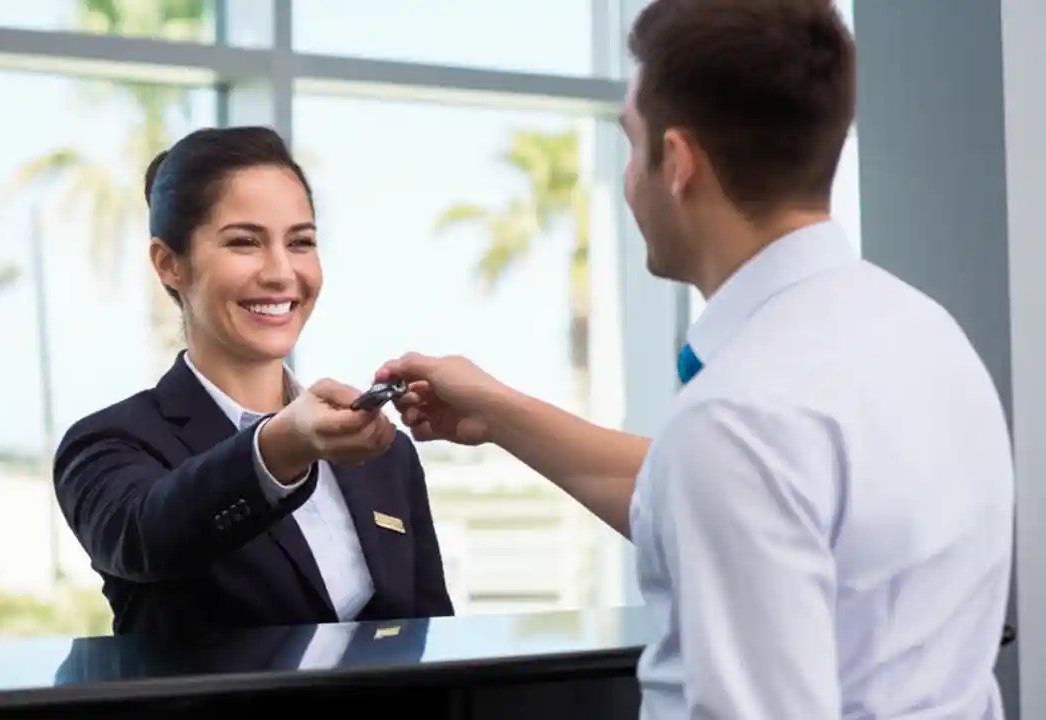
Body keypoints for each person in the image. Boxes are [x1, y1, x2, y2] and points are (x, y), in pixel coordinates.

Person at [376, 1, 1014, 718]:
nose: (626, 180)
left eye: (631, 142)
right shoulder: (927, 336)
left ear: (676, 163)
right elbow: (701, 503)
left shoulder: (738, 417)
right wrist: (500, 413)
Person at [54, 126, 453, 641]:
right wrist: (282, 446)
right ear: (169, 263)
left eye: (301, 242)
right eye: (245, 242)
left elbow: (434, 647)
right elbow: (146, 535)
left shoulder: (383, 453)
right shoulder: (109, 443)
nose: (282, 272)